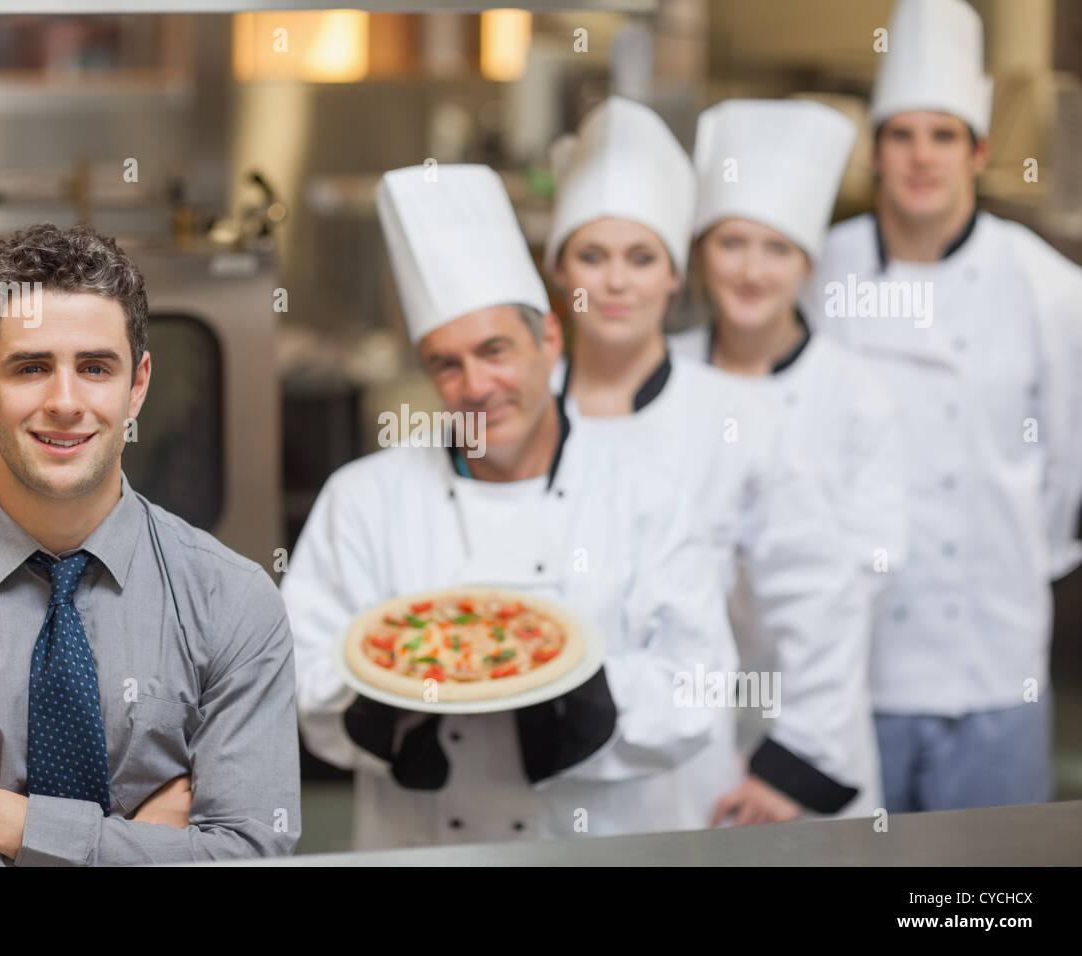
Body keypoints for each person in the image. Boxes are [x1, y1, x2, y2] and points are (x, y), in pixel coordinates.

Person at [283, 163, 735, 849]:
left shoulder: (647, 493)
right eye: (447, 363)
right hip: (425, 847)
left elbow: (698, 685)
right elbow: (305, 669)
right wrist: (390, 714)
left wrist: (576, 702)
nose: (477, 386)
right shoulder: (364, 498)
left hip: (602, 846)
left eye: (495, 350)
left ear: (550, 341)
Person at [0, 223, 301, 865]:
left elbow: (251, 857)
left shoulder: (236, 601)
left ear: (137, 386)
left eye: (95, 368)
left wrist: (6, 824)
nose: (66, 402)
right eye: (31, 367)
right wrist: (151, 845)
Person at [545, 95, 869, 827]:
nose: (617, 282)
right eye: (592, 256)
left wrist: (797, 768)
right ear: (557, 269)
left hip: (688, 780)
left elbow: (822, 596)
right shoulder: (520, 421)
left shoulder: (740, 419)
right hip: (534, 780)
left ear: (672, 275)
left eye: (641, 257)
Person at [802, 0, 1082, 813]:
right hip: (854, 662)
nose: (921, 156)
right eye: (901, 134)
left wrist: (1023, 560)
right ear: (877, 151)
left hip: (991, 656)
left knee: (982, 898)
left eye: (943, 135)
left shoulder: (1050, 287)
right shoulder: (819, 270)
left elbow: (1067, 468)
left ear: (980, 152)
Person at [673, 97, 910, 818]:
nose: (752, 270)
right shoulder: (667, 378)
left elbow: (875, 563)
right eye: (731, 243)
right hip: (684, 723)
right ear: (699, 253)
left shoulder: (855, 392)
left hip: (817, 712)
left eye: (776, 249)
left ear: (807, 263)